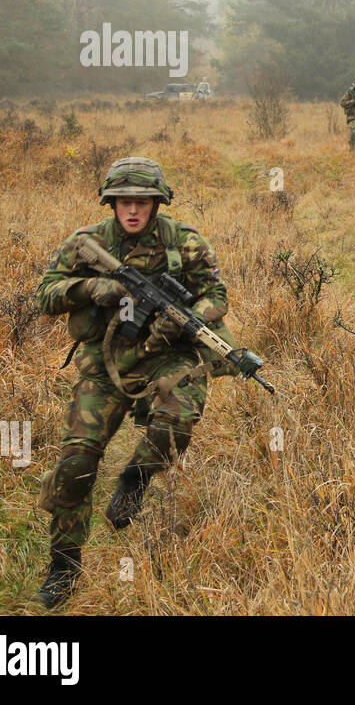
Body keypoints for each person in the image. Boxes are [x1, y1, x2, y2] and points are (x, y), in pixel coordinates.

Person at [32, 157, 233, 608]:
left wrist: (188, 318)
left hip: (168, 357)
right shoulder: (87, 242)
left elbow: (216, 294)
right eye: (125, 201)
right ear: (112, 203)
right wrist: (90, 289)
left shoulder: (185, 242)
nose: (134, 209)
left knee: (174, 423)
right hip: (105, 366)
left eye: (143, 201)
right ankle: (63, 570)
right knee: (75, 466)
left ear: (157, 203)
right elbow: (45, 294)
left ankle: (136, 478)